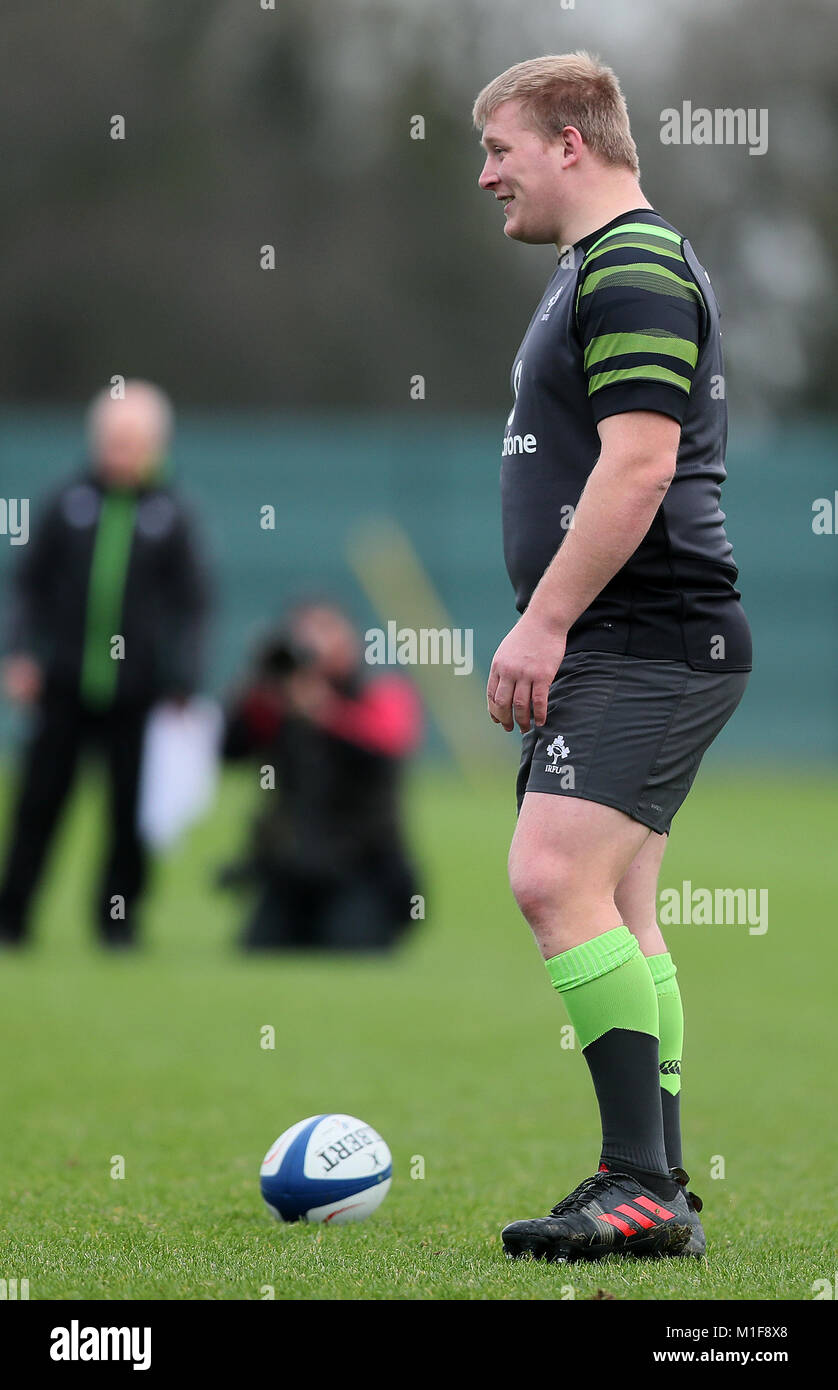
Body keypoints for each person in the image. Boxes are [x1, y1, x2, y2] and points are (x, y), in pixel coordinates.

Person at [473, 53, 752, 1261]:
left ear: (571, 144)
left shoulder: (632, 261)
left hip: (644, 633)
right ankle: (656, 1187)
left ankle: (637, 1181)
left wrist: (543, 621)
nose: (488, 176)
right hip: (640, 634)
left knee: (551, 876)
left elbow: (637, 465)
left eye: (502, 149)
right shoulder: (596, 267)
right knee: (622, 902)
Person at [0, 380, 210, 947]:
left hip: (136, 692)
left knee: (128, 812)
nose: (121, 453)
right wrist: (20, 655)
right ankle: (13, 916)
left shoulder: (171, 514)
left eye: (133, 442)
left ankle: (118, 922)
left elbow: (191, 606)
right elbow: (29, 586)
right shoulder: (67, 503)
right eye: (113, 441)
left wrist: (182, 679)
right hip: (64, 683)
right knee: (38, 804)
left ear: (154, 445)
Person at [221, 601, 422, 952]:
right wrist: (259, 686)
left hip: (362, 867)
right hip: (291, 868)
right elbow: (229, 749)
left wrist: (325, 712)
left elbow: (388, 743)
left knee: (351, 947)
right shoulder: (277, 703)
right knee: (262, 949)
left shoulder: (379, 690)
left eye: (325, 630)